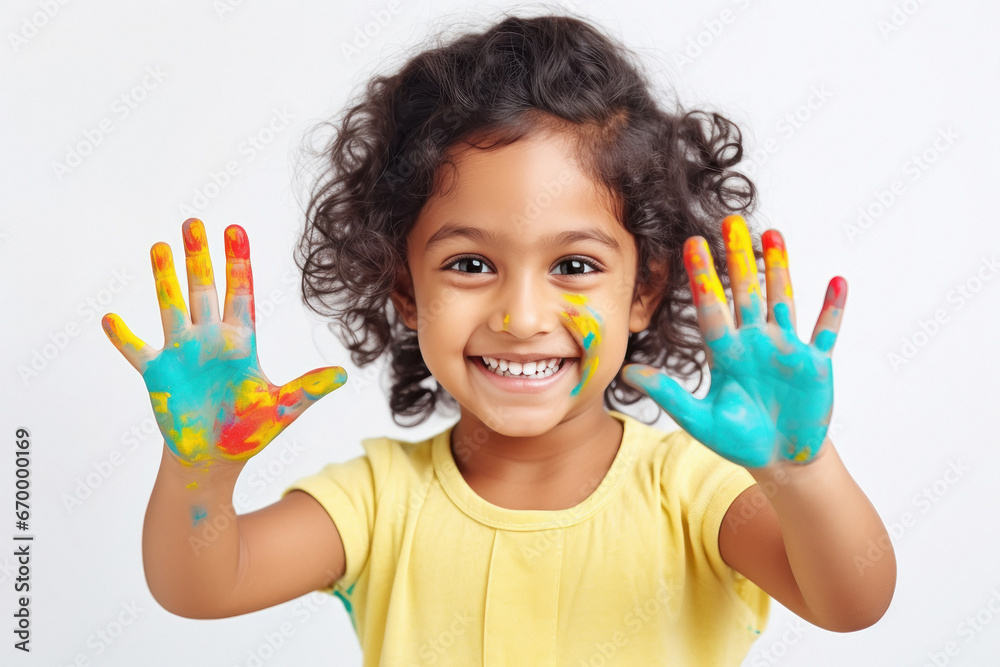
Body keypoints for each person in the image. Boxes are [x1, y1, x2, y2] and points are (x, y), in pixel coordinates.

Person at [102, 11, 896, 666]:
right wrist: (198, 474)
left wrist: (802, 472)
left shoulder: (691, 492)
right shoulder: (379, 501)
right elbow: (202, 588)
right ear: (404, 289)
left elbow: (852, 601)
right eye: (472, 262)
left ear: (644, 292)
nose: (521, 314)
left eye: (575, 264)